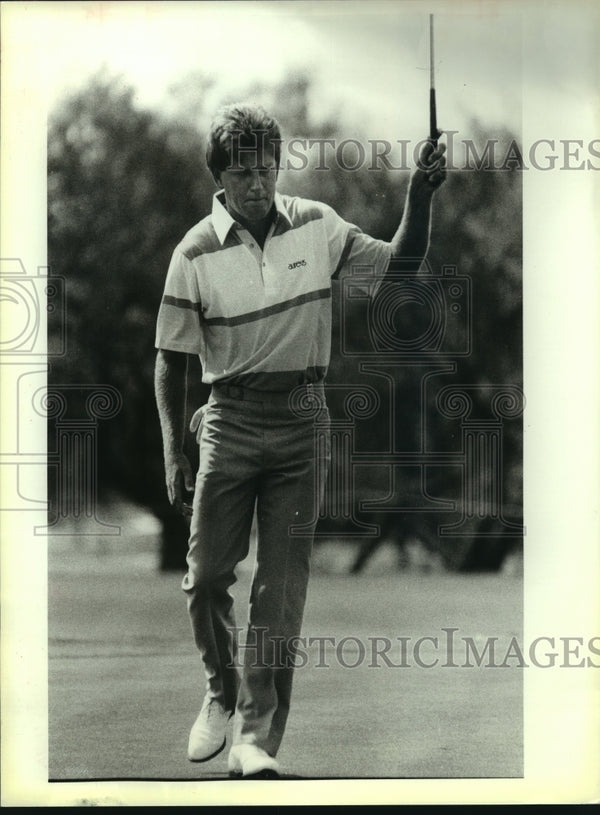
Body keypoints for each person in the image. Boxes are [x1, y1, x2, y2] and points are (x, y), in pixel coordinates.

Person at [154, 102, 446, 779]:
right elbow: (170, 356)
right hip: (227, 418)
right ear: (218, 178)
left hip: (301, 420)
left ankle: (256, 737)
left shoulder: (318, 225)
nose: (256, 183)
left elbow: (400, 266)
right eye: (241, 172)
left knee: (279, 588)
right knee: (204, 581)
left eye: (265, 168)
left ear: (275, 166)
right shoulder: (192, 251)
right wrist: (174, 447)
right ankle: (222, 691)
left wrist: (418, 195)